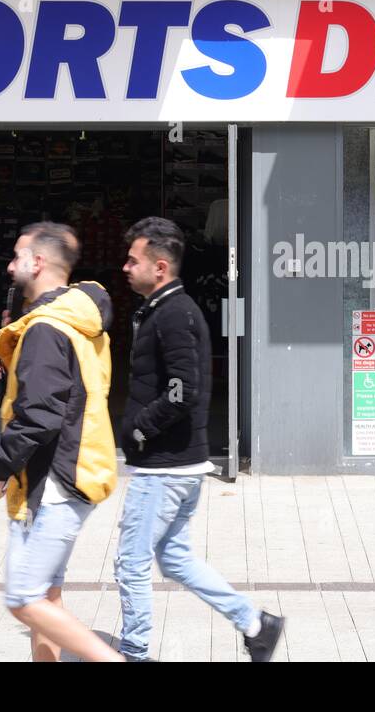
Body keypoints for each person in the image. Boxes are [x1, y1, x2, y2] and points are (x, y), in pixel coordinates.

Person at [118, 216, 284, 663]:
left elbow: (183, 389)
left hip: (165, 467)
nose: (125, 267)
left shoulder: (175, 313)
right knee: (175, 559)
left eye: (133, 260)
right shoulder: (165, 309)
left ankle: (134, 652)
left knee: (130, 564)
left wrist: (138, 429)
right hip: (178, 464)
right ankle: (256, 624)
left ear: (160, 266)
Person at [0, 222, 123, 663]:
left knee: (23, 598)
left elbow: (40, 414)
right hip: (66, 474)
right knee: (46, 597)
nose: (10, 265)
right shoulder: (75, 317)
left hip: (55, 481)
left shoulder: (46, 329)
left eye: (16, 255)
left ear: (37, 262)